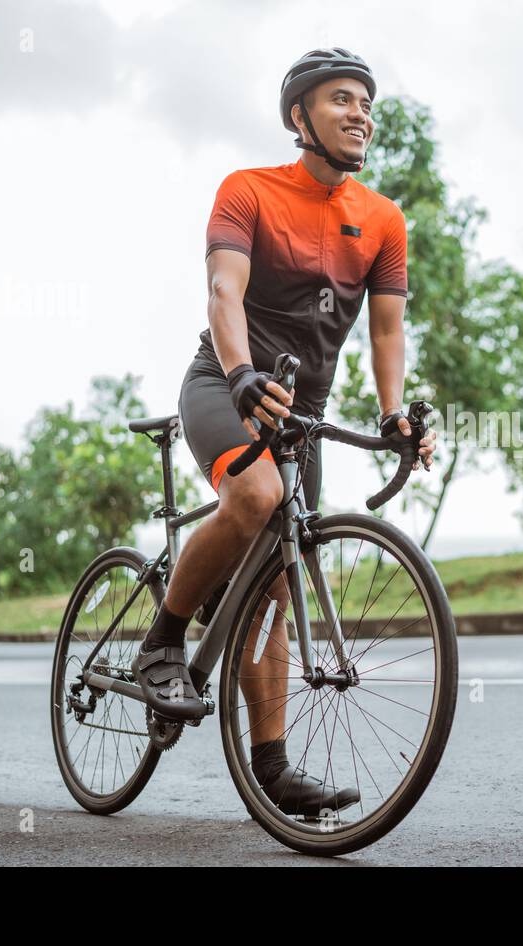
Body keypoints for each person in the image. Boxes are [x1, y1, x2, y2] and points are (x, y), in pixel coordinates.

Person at [133, 48, 437, 815]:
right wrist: (240, 374)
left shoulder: (382, 220)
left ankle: (270, 768)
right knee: (259, 492)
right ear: (299, 116)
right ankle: (162, 640)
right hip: (225, 386)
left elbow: (386, 336)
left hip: (301, 415)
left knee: (275, 585)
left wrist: (395, 415)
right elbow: (222, 293)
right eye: (342, 99)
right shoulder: (249, 191)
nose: (361, 113)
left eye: (368, 103)